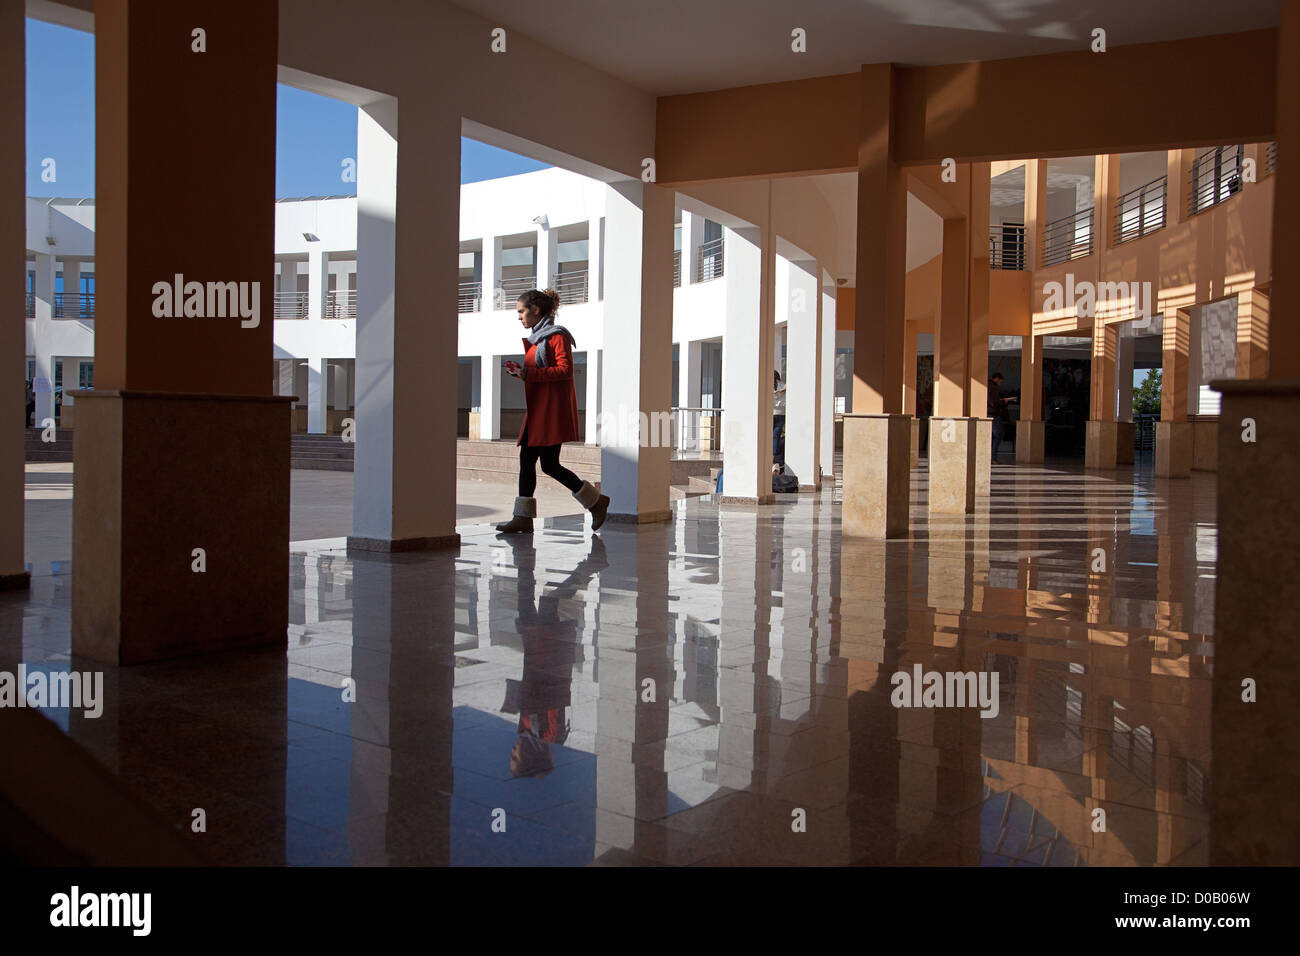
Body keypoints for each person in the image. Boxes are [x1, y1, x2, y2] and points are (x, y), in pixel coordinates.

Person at [496, 288, 610, 534]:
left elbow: (565, 371)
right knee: (534, 462)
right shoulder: (539, 338)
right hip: (539, 411)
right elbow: (540, 374)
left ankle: (596, 502)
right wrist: (520, 372)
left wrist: (527, 373)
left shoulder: (556, 336)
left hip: (549, 413)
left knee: (546, 464)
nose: (519, 317)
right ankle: (524, 517)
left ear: (536, 310)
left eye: (521, 311)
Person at [988, 372, 1012, 459]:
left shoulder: (987, 386)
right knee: (998, 434)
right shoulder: (993, 388)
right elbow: (994, 402)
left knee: (994, 435)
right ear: (997, 379)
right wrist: (1004, 401)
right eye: (1000, 381)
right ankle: (993, 456)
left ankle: (991, 456)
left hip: (988, 413)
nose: (1000, 383)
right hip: (994, 414)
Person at [773, 369, 786, 471]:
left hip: (771, 413)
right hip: (781, 413)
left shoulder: (768, 385)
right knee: (776, 435)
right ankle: (774, 454)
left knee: (770, 435)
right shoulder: (783, 386)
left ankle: (770, 454)